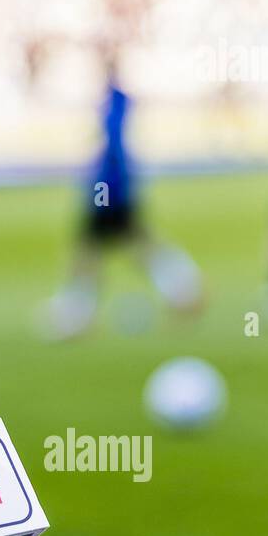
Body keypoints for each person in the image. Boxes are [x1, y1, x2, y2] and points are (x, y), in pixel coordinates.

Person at [45, 52, 203, 339]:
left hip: (108, 190)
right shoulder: (117, 100)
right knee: (133, 247)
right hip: (116, 188)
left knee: (91, 252)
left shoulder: (114, 102)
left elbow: (114, 146)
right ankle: (183, 287)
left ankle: (76, 314)